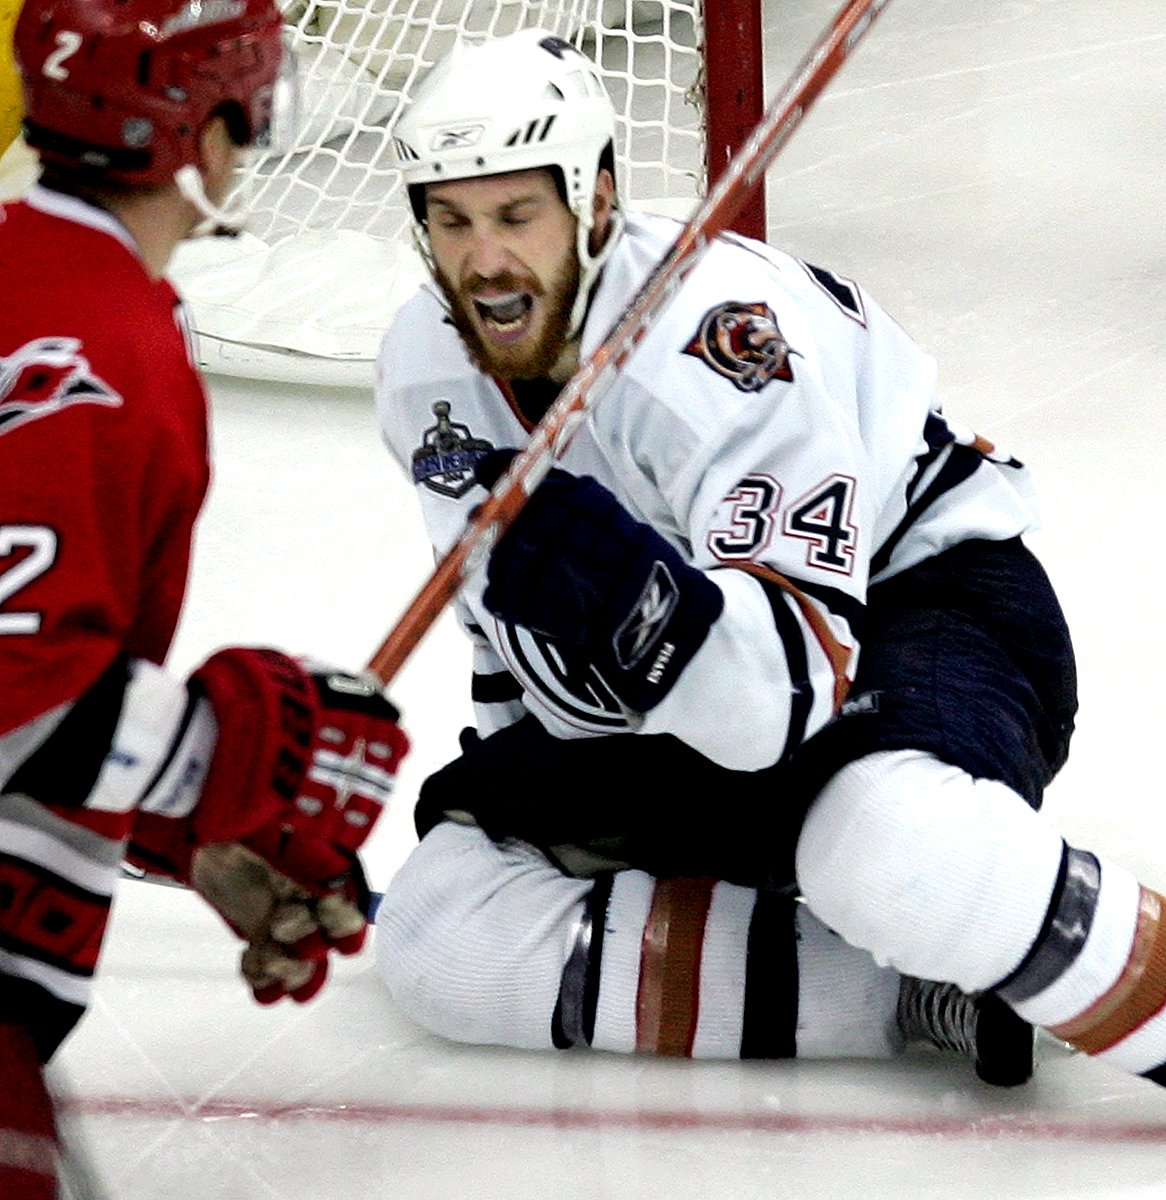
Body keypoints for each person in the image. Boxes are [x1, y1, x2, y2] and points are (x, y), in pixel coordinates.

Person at [371, 26, 1166, 1093]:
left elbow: (768, 712)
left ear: (593, 202)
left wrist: (632, 599)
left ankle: (965, 911)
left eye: (517, 216)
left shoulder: (720, 341)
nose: (484, 262)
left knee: (881, 852)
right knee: (437, 933)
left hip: (915, 608)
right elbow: (509, 648)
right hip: (679, 692)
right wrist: (517, 785)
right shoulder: (421, 367)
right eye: (453, 222)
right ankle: (925, 990)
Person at [0, 3, 409, 1195]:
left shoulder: (45, 276)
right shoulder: (102, 346)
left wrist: (194, 834)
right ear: (199, 127)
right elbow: (18, 681)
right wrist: (223, 758)